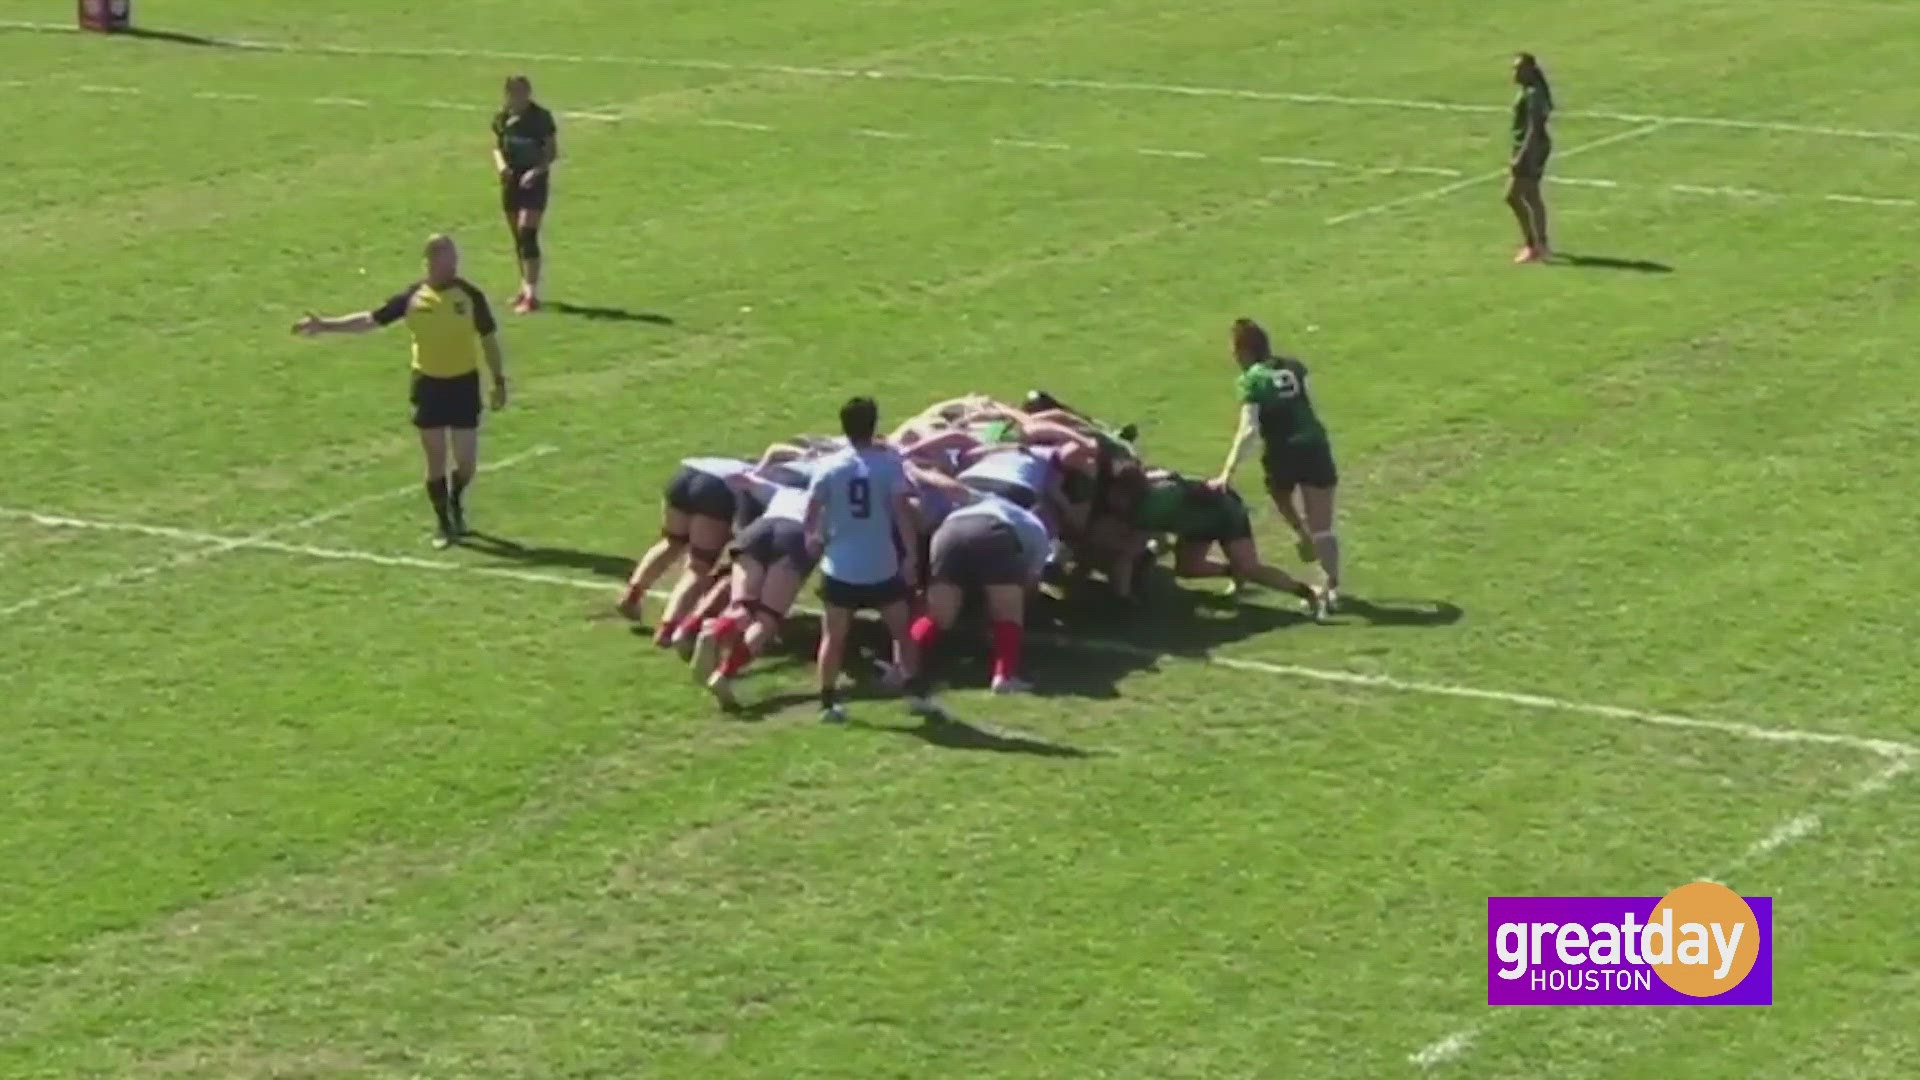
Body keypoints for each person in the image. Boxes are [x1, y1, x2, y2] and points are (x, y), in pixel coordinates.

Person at [293, 234, 507, 548]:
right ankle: (444, 523)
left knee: (466, 463)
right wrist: (325, 325)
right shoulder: (413, 298)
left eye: (454, 259)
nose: (454, 266)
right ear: (431, 262)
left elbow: (488, 338)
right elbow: (370, 320)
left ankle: (455, 499)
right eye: (447, 260)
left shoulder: (470, 296)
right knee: (435, 459)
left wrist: (498, 380)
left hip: (463, 384)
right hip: (429, 385)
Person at [803, 397, 924, 722]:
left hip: (840, 566)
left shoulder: (829, 465)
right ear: (874, 425)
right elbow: (901, 513)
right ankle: (914, 692)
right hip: (880, 564)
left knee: (833, 637)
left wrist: (812, 538)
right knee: (902, 632)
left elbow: (811, 509)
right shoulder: (887, 464)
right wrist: (910, 555)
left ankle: (827, 702)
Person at [1214, 318, 1342, 608]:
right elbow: (1311, 402)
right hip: (1314, 444)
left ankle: (1301, 533)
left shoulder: (1251, 379)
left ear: (1244, 351)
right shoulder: (1294, 367)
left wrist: (1227, 471)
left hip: (1282, 449)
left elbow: (1249, 429)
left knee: (1279, 491)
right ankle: (1331, 588)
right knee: (1323, 526)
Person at [907, 491, 1052, 703]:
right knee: (1008, 614)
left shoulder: (982, 503)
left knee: (938, 616)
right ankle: (1004, 676)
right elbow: (1031, 581)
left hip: (948, 532)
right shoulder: (1036, 527)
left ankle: (902, 666)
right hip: (993, 532)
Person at [1124, 468, 1327, 619]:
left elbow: (1156, 540)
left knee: (1249, 567)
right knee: (1188, 567)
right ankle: (1234, 572)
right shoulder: (1148, 493)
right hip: (1196, 521)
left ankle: (1310, 593)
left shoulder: (1154, 503)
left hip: (1224, 513)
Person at [690, 479, 818, 709]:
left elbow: (748, 483)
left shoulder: (785, 488)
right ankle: (724, 674)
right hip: (795, 535)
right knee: (766, 618)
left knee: (743, 605)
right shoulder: (832, 494)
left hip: (758, 530)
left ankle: (714, 631)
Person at [492, 75, 559, 313]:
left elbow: (551, 152)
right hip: (511, 180)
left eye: (522, 91)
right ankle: (523, 288)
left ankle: (531, 295)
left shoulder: (540, 118)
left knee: (527, 234)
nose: (519, 96)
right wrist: (501, 166)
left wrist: (535, 172)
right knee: (518, 239)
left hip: (534, 181)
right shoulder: (503, 117)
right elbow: (497, 147)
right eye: (514, 92)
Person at [1507, 53, 1554, 264]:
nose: (1514, 73)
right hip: (1532, 147)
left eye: (1518, 69)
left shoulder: (1533, 94)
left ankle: (1533, 244)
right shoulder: (1532, 91)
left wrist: (1522, 156)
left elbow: (1533, 129)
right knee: (1531, 195)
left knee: (1513, 196)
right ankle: (1540, 244)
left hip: (1531, 149)